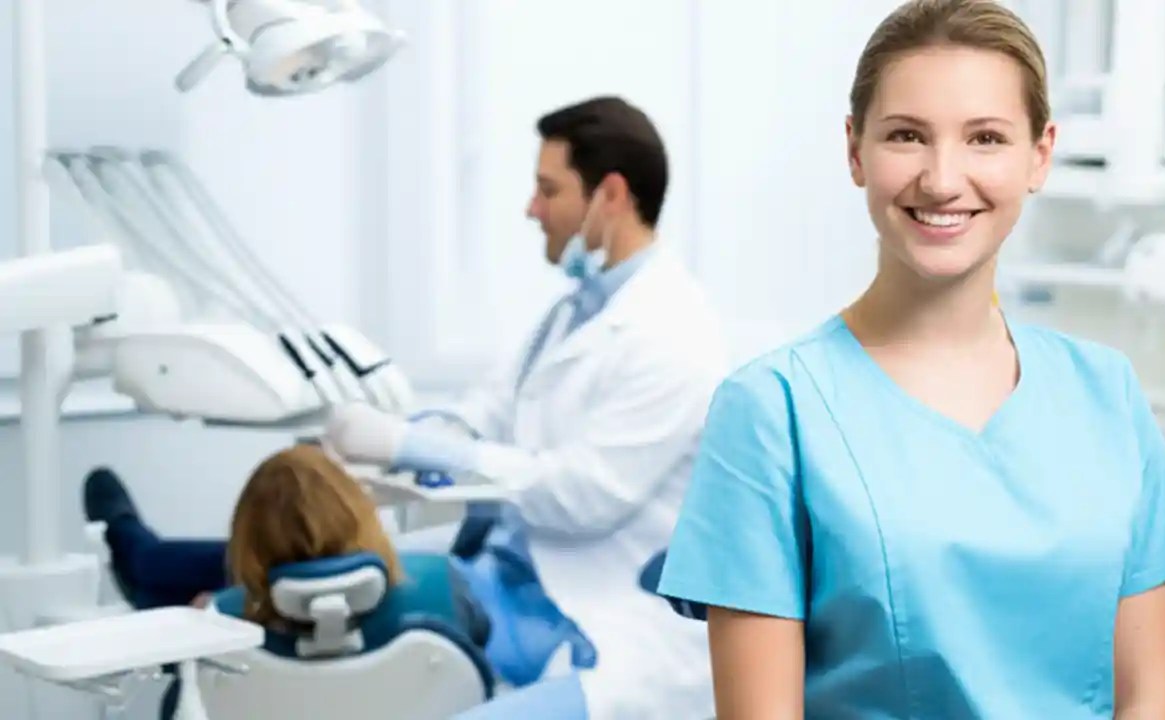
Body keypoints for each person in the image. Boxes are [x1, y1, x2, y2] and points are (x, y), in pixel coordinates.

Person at [89, 96, 727, 719]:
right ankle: (162, 574)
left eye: (549, 189)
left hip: (590, 619)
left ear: (609, 195)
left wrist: (417, 449)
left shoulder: (672, 333)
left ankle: (164, 577)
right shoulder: (574, 313)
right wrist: (406, 436)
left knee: (338, 583)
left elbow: (581, 496)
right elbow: (486, 411)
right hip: (500, 583)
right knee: (334, 566)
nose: (532, 209)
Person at [656, 1, 1165, 718]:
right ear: (855, 150)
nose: (943, 179)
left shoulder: (1107, 392)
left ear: (1039, 154)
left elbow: (1147, 697)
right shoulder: (772, 409)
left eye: (985, 138)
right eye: (907, 136)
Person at [86, 445, 494, 718]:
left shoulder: (221, 628)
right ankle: (131, 548)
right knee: (149, 569)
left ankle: (126, 542)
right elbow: (480, 642)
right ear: (361, 515)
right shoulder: (442, 582)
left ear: (244, 544)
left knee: (151, 575)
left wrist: (203, 632)